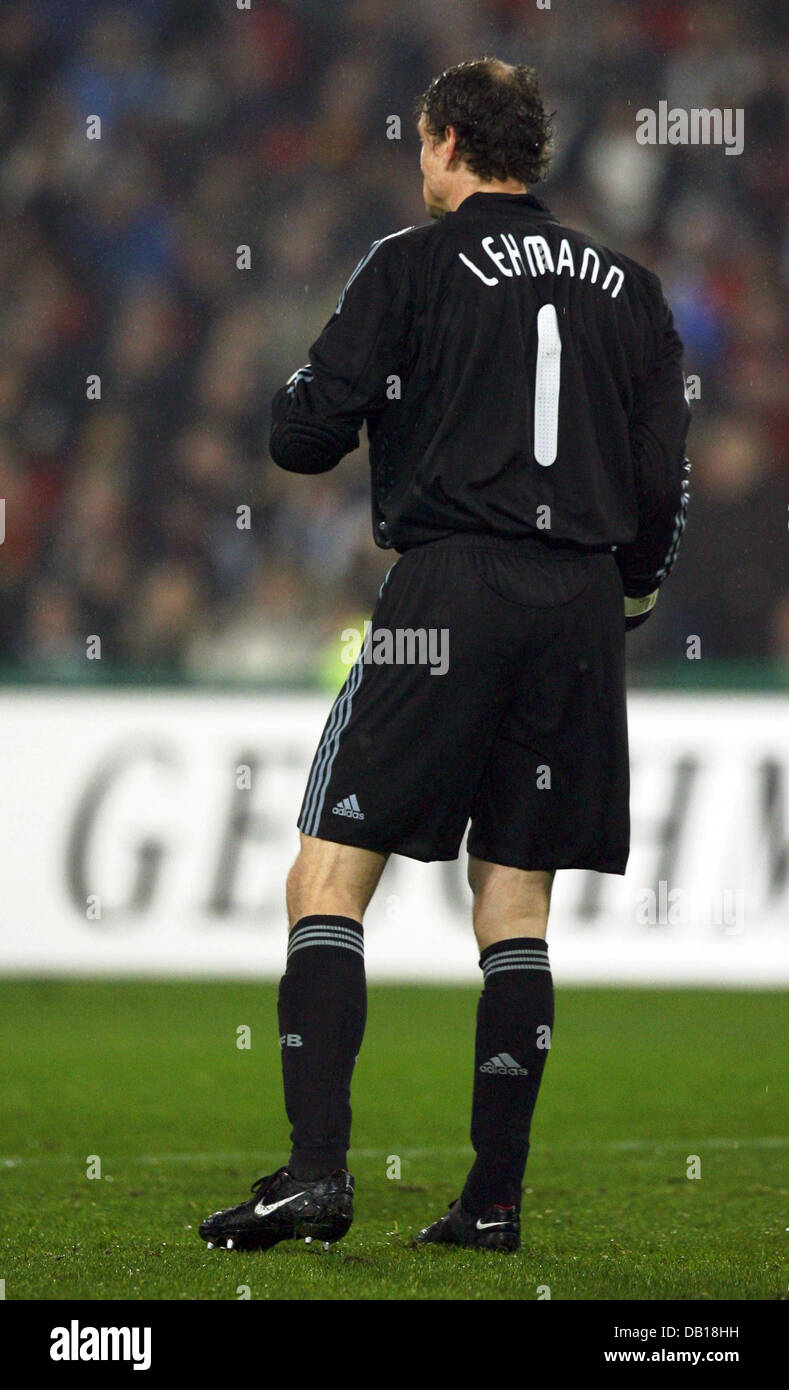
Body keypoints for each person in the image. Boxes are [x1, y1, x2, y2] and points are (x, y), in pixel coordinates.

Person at [199, 56, 690, 1256]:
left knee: (327, 878)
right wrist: (624, 593)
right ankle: (493, 1199)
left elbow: (302, 433)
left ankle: (316, 1173)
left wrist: (330, 395)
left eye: (422, 143)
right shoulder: (630, 285)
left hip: (447, 590)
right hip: (579, 605)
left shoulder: (409, 264)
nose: (416, 163)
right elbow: (661, 471)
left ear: (452, 143)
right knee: (515, 902)